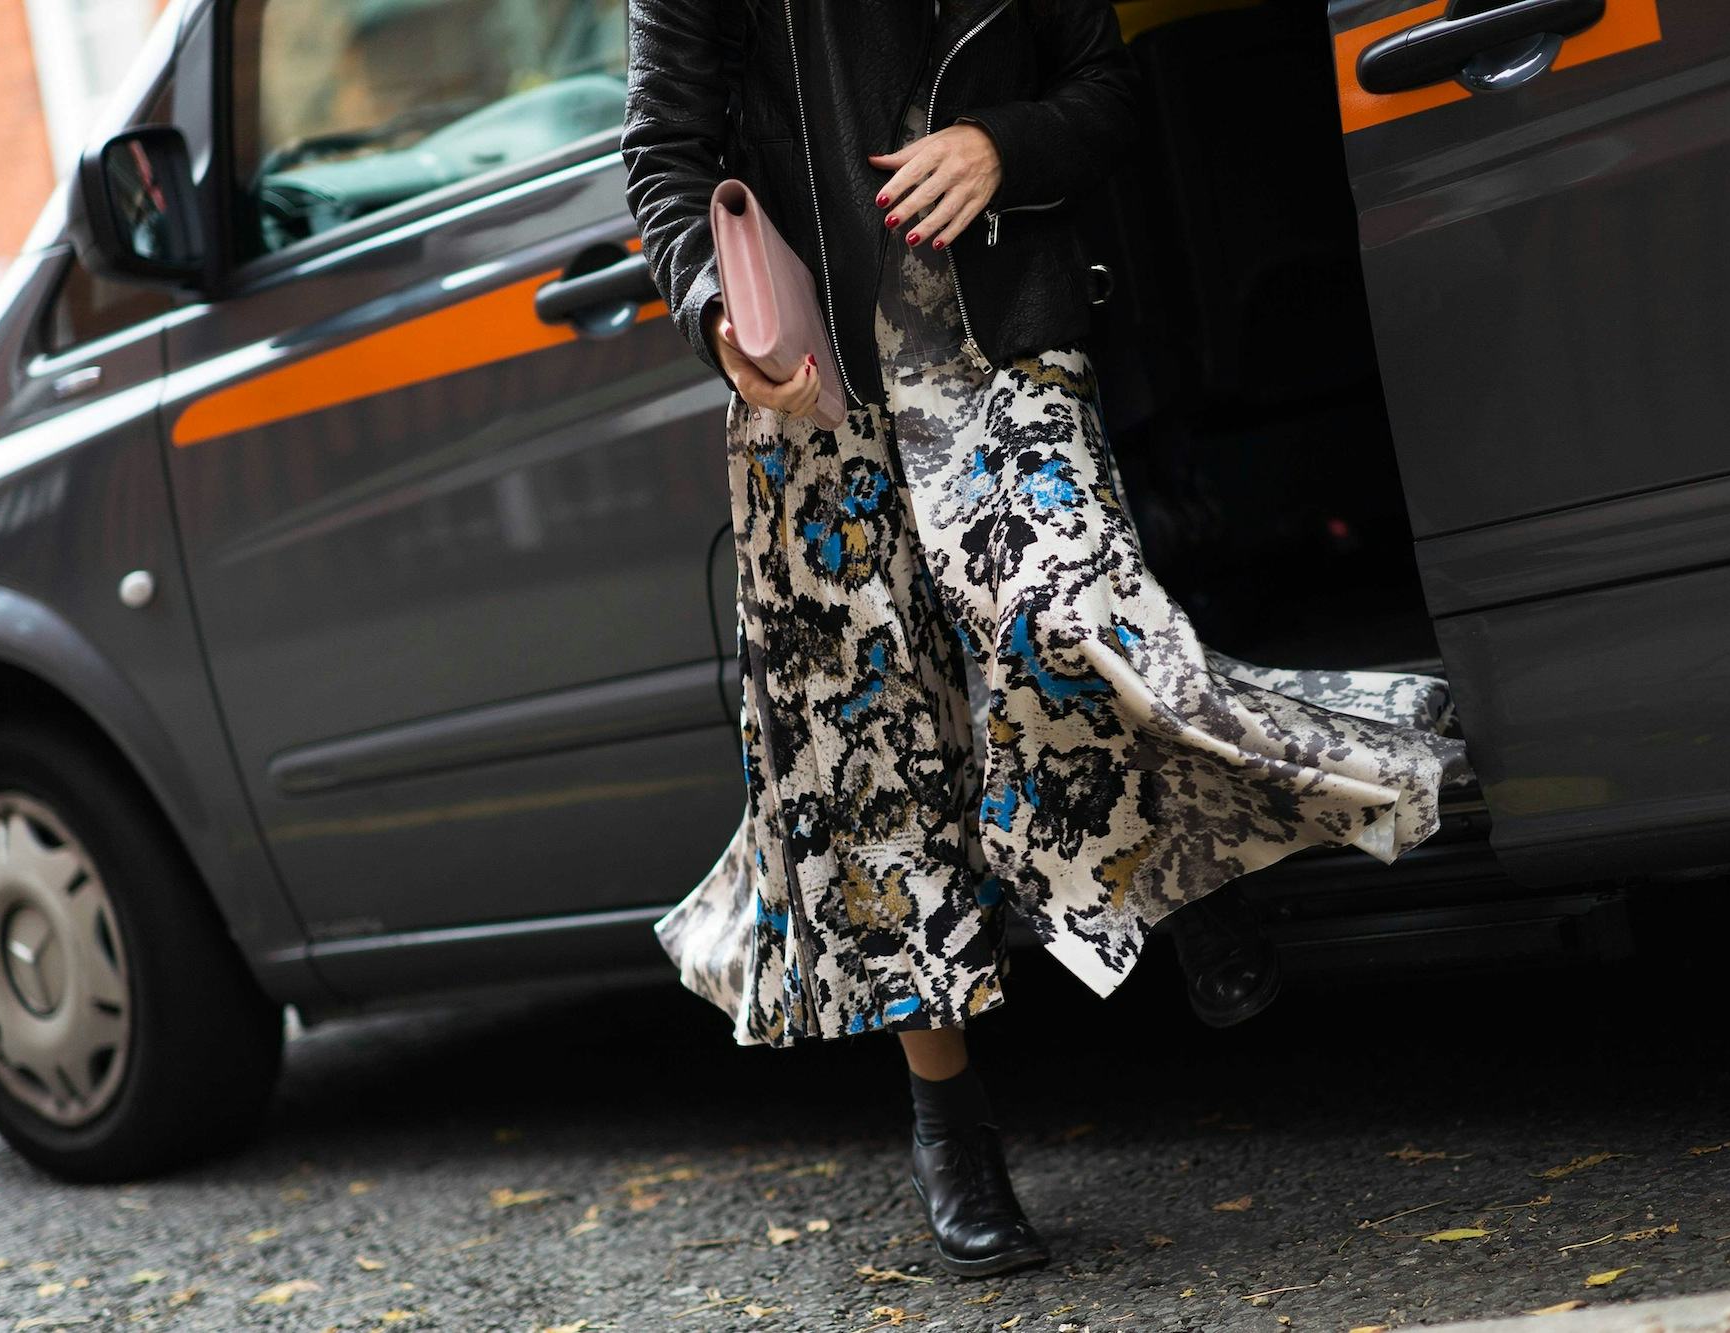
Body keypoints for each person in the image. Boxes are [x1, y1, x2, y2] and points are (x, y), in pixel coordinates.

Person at [620, 0, 1472, 1278]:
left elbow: (1105, 88)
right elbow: (661, 157)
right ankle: (950, 1131)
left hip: (997, 341)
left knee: (1064, 622)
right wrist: (716, 316)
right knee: (877, 765)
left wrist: (1001, 145)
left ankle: (1184, 859)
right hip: (811, 380)